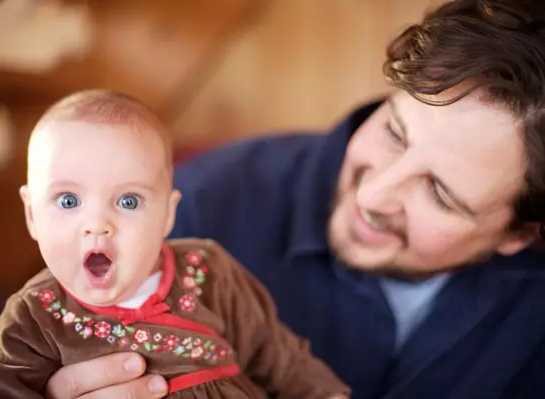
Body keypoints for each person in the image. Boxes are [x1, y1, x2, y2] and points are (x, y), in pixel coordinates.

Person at [42, 0, 545, 398]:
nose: (373, 194)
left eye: (440, 194)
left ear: (519, 234)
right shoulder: (197, 207)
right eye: (394, 132)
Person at [0, 90, 351, 399]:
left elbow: (276, 352)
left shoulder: (207, 269)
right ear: (32, 215)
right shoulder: (34, 316)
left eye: (128, 201)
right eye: (68, 201)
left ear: (167, 215)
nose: (97, 225)